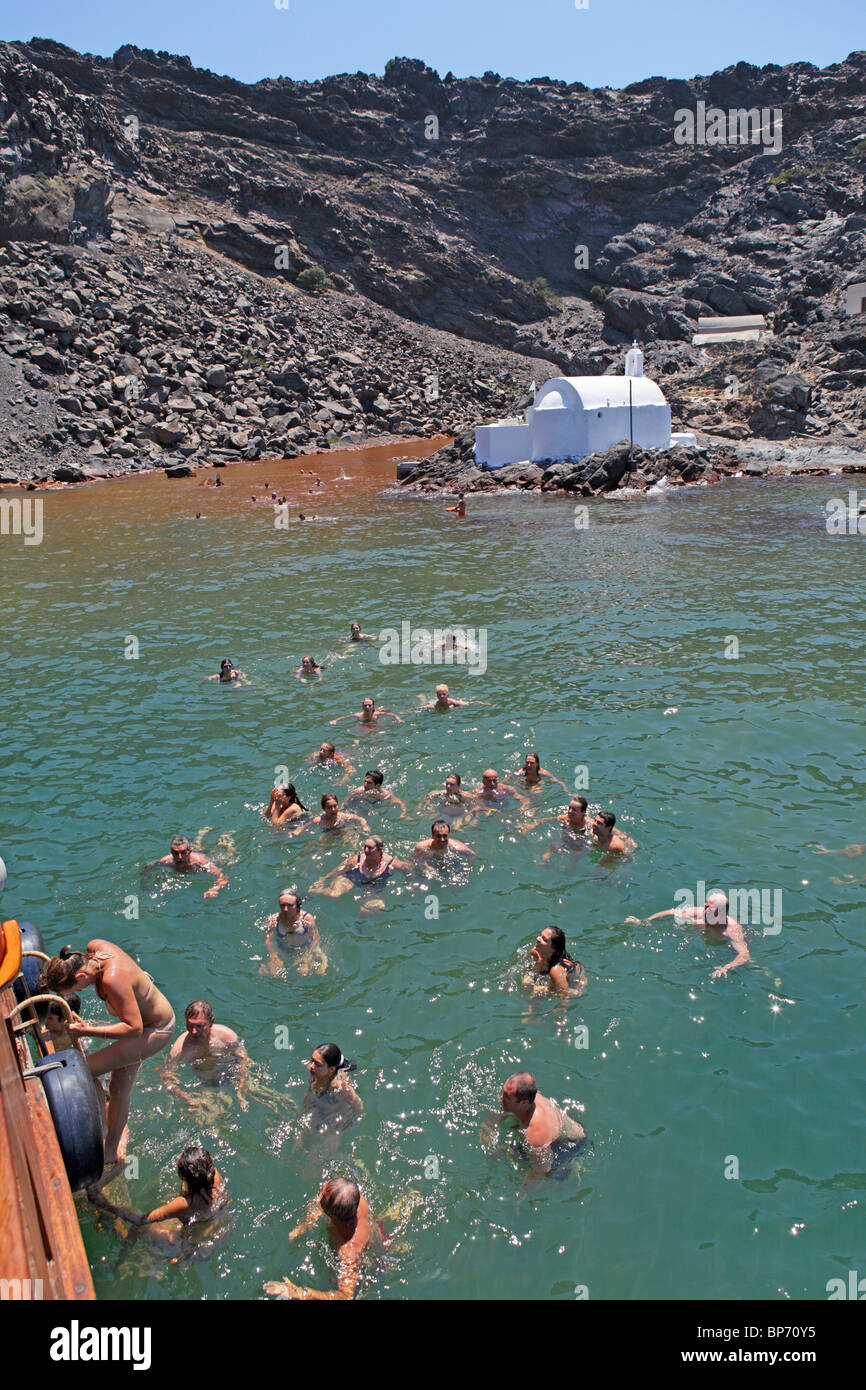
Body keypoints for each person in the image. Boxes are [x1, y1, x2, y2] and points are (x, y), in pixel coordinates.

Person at [40, 942, 175, 1168]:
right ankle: (110, 1143)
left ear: (81, 975)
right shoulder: (94, 948)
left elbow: (134, 1029)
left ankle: (105, 1145)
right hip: (143, 1019)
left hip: (155, 1029)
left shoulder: (112, 978)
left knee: (84, 1070)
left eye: (76, 989)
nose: (80, 992)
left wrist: (87, 1030)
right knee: (118, 1086)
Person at [88, 1143, 228, 1242]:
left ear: (183, 1176)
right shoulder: (212, 1173)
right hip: (215, 1225)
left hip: (192, 1242)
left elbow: (141, 1220)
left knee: (140, 1230)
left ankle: (108, 1223)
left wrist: (104, 1204)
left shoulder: (184, 1204)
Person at [264, 1178, 376, 1301]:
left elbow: (345, 1297)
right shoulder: (355, 1199)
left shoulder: (348, 1252)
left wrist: (298, 1293)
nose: (321, 1191)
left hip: (373, 1265)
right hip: (375, 1233)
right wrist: (305, 1225)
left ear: (330, 1214)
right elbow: (323, 1201)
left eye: (322, 1195)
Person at [626, 892, 751, 978]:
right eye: (706, 906)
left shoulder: (731, 930)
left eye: (710, 910)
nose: (705, 911)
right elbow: (671, 912)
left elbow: (744, 954)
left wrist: (726, 967)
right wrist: (644, 921)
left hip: (723, 948)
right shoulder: (699, 913)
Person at [482, 1072, 585, 1175]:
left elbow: (541, 1171)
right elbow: (488, 1125)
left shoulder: (536, 1133)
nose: (501, 1098)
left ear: (524, 1103)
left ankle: (572, 1171)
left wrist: (522, 1191)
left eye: (507, 1097)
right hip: (560, 1130)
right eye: (504, 1093)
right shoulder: (521, 1098)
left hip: (568, 1145)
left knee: (544, 1173)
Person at [161, 1001, 250, 1111]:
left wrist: (242, 1088)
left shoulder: (227, 1036)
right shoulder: (181, 1048)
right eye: (190, 1025)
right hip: (206, 1082)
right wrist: (188, 1099)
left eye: (199, 1026)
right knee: (209, 1117)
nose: (194, 1031)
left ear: (211, 1022)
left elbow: (244, 1061)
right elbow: (166, 1077)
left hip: (232, 1075)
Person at [308, 835, 412, 911]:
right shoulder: (355, 860)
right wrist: (324, 879)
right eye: (365, 847)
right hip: (352, 878)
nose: (366, 850)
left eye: (370, 848)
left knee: (373, 909)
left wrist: (409, 884)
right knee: (334, 894)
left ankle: (358, 924)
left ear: (380, 850)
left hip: (374, 886)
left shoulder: (391, 863)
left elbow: (409, 870)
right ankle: (315, 891)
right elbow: (337, 870)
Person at [301, 1044, 363, 1133]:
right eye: (312, 1061)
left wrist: (344, 1125)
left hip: (334, 1121)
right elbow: (309, 1089)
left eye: (317, 1064)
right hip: (320, 1109)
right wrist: (304, 1110)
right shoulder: (315, 1071)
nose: (311, 1066)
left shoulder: (339, 1085)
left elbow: (358, 1107)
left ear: (331, 1069)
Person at [262, 888, 326, 976]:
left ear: (297, 905)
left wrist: (307, 957)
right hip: (282, 949)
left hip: (305, 948)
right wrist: (273, 957)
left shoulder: (307, 918)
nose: (285, 909)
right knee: (271, 973)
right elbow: (268, 940)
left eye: (289, 905)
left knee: (319, 972)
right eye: (282, 905)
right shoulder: (274, 919)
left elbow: (316, 938)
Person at [158, 835, 228, 897]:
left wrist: (214, 889)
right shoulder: (165, 861)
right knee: (198, 845)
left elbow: (223, 878)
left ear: (189, 852)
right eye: (175, 853)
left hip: (207, 855)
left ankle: (224, 839)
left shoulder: (201, 862)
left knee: (227, 856)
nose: (179, 857)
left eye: (183, 853)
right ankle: (200, 836)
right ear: (171, 852)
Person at [527, 927, 586, 998]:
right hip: (557, 974)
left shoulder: (556, 970)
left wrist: (542, 989)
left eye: (544, 939)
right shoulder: (535, 952)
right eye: (540, 935)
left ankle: (531, 1009)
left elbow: (564, 995)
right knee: (527, 982)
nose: (538, 938)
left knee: (536, 990)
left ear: (553, 949)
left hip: (575, 987)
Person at [290, 792, 370, 837]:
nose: (333, 810)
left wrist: (365, 825)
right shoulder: (319, 819)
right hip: (328, 834)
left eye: (335, 806)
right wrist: (297, 831)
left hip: (343, 832)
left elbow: (361, 819)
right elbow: (304, 826)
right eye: (329, 807)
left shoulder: (343, 816)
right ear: (324, 809)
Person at [329, 697, 403, 728]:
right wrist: (335, 720)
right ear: (362, 707)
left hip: (373, 723)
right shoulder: (358, 715)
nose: (367, 707)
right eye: (365, 705)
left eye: (369, 705)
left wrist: (398, 719)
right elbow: (345, 717)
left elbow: (393, 715)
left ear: (373, 706)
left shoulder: (377, 713)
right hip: (364, 724)